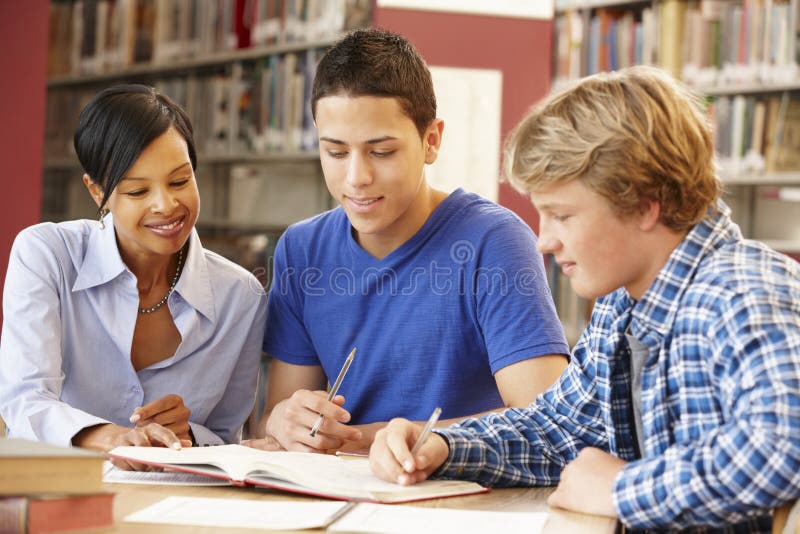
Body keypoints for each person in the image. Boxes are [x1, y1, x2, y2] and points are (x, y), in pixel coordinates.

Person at [368, 66, 800, 532]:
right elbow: (560, 432)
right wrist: (446, 445)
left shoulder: (745, 290)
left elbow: (783, 444)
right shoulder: (622, 304)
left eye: (562, 215)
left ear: (644, 205)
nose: (543, 241)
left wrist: (623, 490)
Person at [249, 28, 569, 454]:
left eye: (381, 152)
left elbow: (544, 418)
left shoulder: (495, 241)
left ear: (431, 141)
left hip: (464, 496)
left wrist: (370, 438)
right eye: (336, 152)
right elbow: (274, 418)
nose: (356, 178)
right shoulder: (302, 249)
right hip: (341, 494)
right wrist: (284, 421)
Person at [0, 85, 267, 468]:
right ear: (97, 192)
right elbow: (23, 401)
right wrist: (113, 438)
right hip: (63, 495)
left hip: (176, 508)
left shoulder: (241, 297)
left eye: (179, 181)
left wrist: (187, 434)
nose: (166, 205)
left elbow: (227, 439)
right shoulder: (47, 256)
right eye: (138, 191)